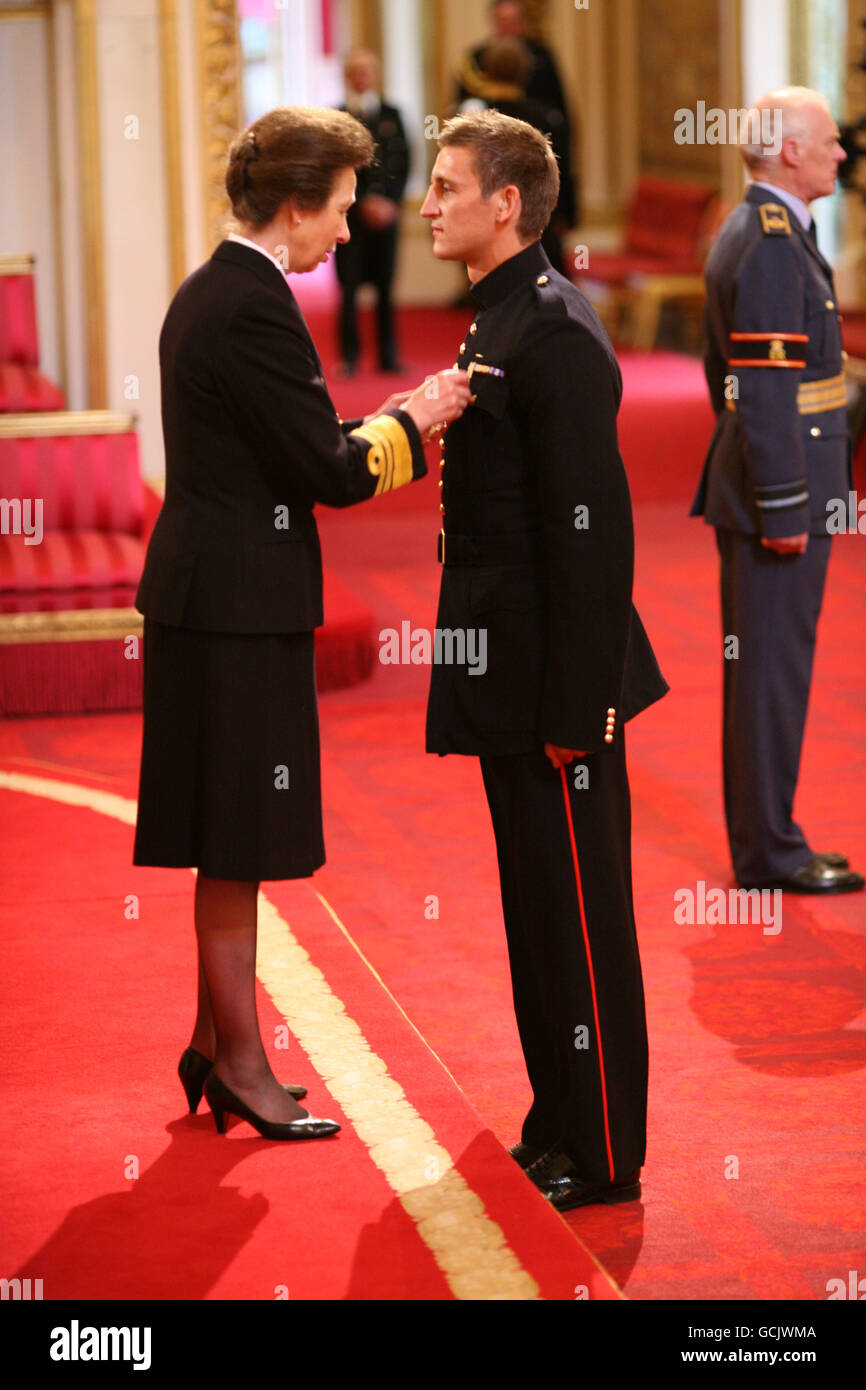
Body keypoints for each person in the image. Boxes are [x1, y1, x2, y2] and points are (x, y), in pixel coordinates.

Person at [133, 106, 471, 1142]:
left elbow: (288, 445)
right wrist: (413, 422)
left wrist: (386, 424)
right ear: (291, 207)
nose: (345, 231)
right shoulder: (255, 305)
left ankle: (213, 1038)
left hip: (210, 595)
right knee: (236, 835)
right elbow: (324, 470)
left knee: (223, 832)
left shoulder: (215, 288)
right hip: (235, 605)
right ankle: (239, 1058)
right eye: (335, 211)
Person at [420, 111, 668, 1210]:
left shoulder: (552, 330)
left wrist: (580, 704)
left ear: (504, 203)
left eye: (444, 186)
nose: (428, 205)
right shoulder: (497, 322)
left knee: (578, 914)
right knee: (537, 911)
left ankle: (605, 1146)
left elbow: (590, 537)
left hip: (553, 684)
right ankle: (556, 1118)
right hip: (507, 674)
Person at [691, 87, 864, 895]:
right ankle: (771, 853)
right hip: (778, 499)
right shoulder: (767, 242)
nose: (841, 152)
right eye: (829, 142)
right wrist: (787, 504)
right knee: (769, 678)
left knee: (769, 673)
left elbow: (724, 379)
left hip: (773, 485)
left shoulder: (759, 228)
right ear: (791, 152)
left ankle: (772, 840)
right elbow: (759, 388)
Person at [456, 37, 575, 275]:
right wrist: (567, 217)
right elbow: (564, 173)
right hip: (537, 226)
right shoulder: (548, 118)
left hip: (485, 224)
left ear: (486, 70)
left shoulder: (470, 119)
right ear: (525, 73)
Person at [455, 0, 579, 228]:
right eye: (502, 20)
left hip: (534, 192)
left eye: (513, 21)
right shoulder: (475, 59)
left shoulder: (542, 56)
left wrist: (565, 211)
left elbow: (562, 125)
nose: (507, 27)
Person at [335, 49, 410, 375]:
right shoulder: (338, 117)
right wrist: (362, 201)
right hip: (352, 217)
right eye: (355, 71)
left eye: (367, 71)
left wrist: (389, 202)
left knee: (385, 288)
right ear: (347, 77)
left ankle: (388, 356)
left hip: (387, 217)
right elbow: (338, 167)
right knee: (348, 288)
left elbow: (404, 161)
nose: (362, 77)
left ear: (376, 75)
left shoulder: (393, 114)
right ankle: (350, 357)